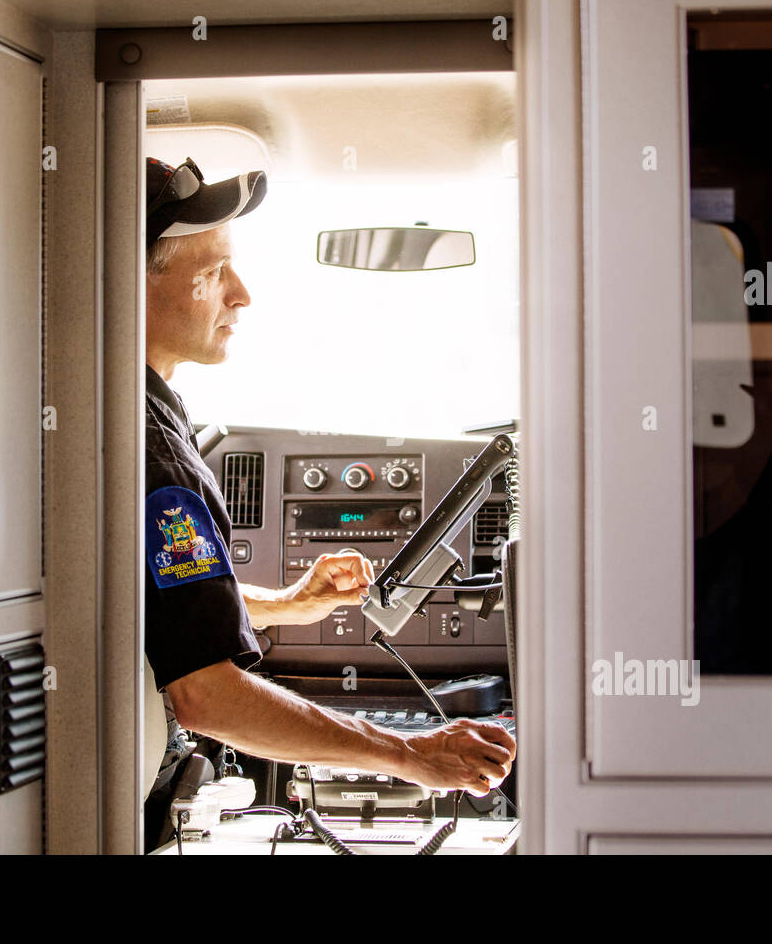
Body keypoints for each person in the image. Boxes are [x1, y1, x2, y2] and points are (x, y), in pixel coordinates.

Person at [142, 157, 515, 843]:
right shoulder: (158, 458)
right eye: (215, 269)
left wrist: (287, 604)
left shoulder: (140, 415)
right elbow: (205, 691)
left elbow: (157, 608)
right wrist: (408, 754)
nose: (242, 294)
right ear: (132, 280)